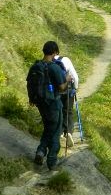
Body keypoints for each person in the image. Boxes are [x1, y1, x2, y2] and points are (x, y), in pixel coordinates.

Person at [32, 41, 69, 170]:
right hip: (53, 104)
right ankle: (52, 161)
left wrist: (32, 99)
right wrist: (68, 80)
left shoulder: (35, 66)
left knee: (48, 128)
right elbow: (62, 87)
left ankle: (41, 152)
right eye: (56, 53)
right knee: (55, 131)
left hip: (40, 103)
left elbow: (30, 84)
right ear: (54, 52)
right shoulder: (54, 67)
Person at [54, 52, 80, 150]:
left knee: (58, 111)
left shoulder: (49, 61)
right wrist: (75, 88)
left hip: (56, 90)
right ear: (57, 52)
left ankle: (60, 133)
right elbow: (75, 76)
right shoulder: (65, 59)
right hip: (68, 90)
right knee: (68, 111)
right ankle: (68, 132)